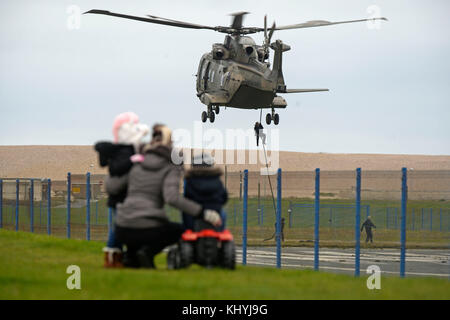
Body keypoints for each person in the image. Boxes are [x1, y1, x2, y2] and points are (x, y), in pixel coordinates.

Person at [106, 124, 222, 269]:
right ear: (170, 142)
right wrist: (202, 212)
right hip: (149, 226)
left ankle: (132, 257)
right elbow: (172, 198)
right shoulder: (171, 165)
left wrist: (122, 169)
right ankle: (147, 251)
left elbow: (111, 187)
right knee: (179, 231)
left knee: (134, 256)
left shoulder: (137, 160)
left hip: (122, 226)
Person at [94, 112, 149, 268]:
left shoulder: (129, 149)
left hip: (129, 195)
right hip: (121, 197)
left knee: (126, 227)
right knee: (119, 227)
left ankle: (122, 257)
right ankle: (112, 257)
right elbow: (117, 169)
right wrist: (133, 160)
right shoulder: (122, 152)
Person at [182, 153, 228, 232]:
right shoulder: (216, 180)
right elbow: (224, 197)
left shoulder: (190, 181)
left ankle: (188, 230)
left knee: (185, 212)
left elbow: (187, 197)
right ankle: (220, 231)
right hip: (215, 212)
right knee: (223, 214)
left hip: (195, 213)